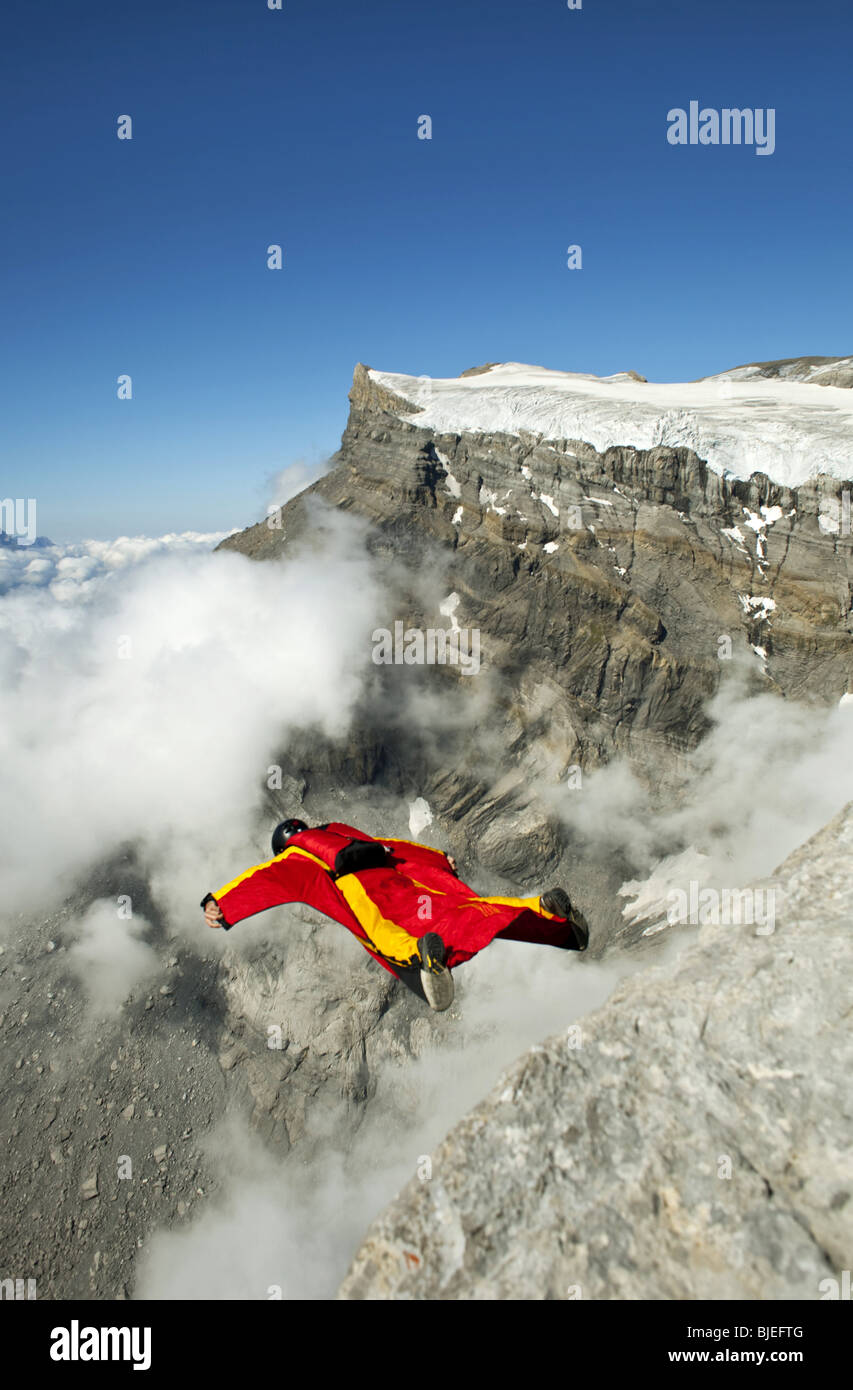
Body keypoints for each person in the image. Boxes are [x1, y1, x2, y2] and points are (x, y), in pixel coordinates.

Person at [201, 818, 589, 1011]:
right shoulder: (338, 831)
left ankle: (424, 962)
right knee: (467, 909)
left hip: (362, 894)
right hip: (401, 880)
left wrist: (221, 904)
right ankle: (547, 914)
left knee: (386, 938)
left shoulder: (296, 859)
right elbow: (392, 845)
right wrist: (439, 860)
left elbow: (262, 879)